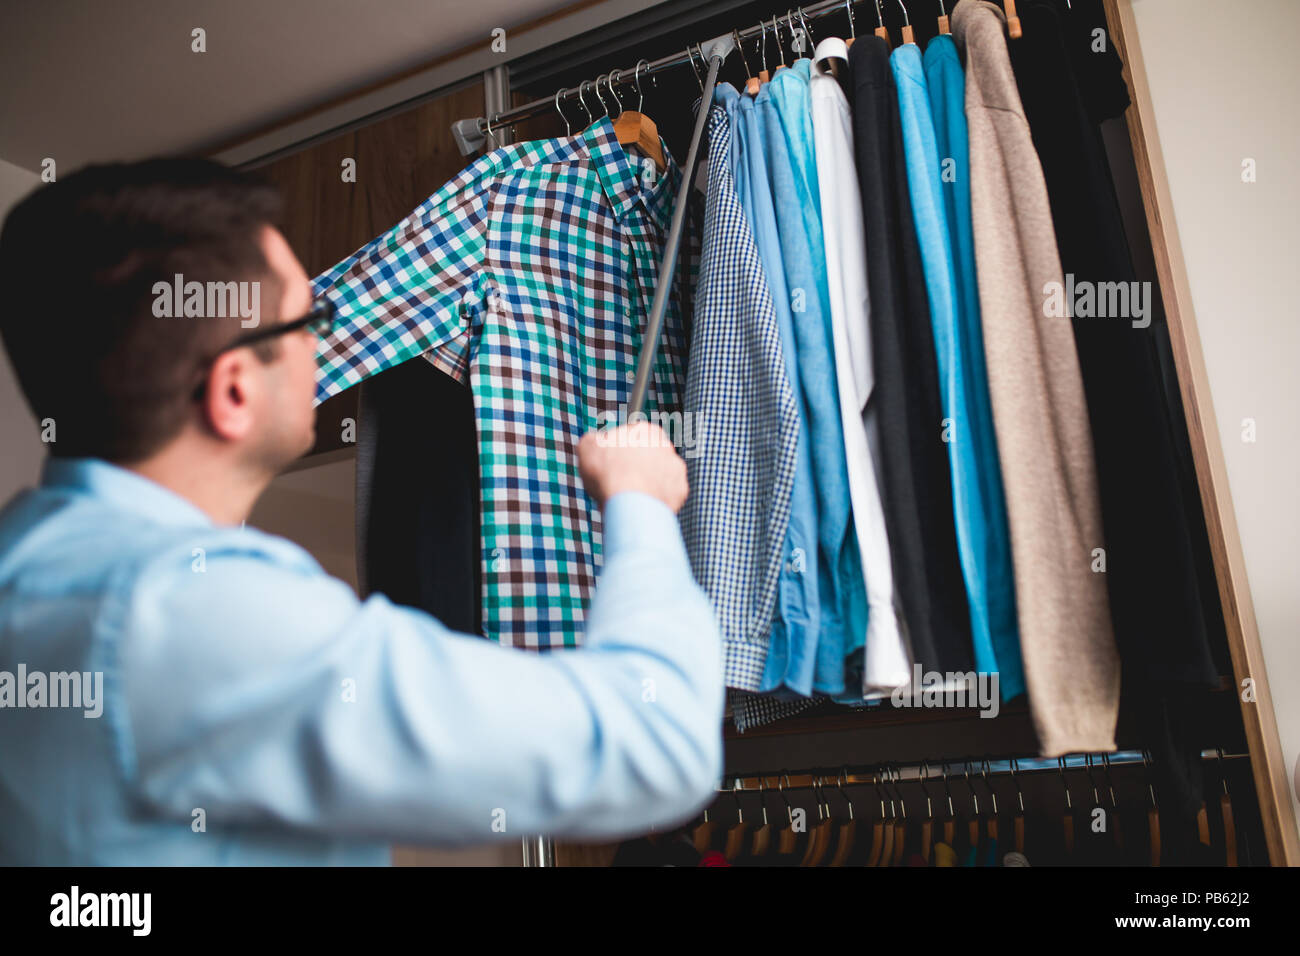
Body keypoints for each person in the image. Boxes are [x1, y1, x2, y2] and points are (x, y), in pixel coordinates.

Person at [0, 159, 723, 865]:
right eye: (306, 321)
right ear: (234, 393)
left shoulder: (26, 570)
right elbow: (659, 748)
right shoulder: (208, 615)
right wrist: (640, 504)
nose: (326, 337)